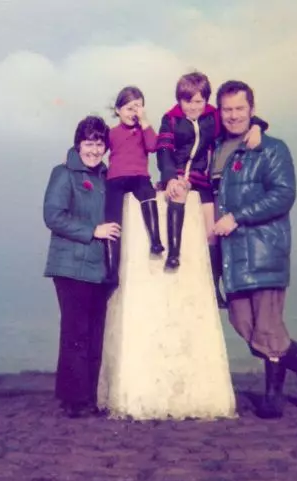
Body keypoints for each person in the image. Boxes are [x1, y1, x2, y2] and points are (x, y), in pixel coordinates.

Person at [211, 80, 297, 420]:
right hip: (231, 255)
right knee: (243, 323)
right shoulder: (217, 149)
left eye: (239, 109)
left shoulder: (271, 149)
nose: (233, 115)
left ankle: (273, 398)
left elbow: (283, 194)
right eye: (227, 109)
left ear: (251, 109)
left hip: (262, 250)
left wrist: (238, 217)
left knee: (268, 328)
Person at [155, 71, 269, 308]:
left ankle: (214, 287)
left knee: (211, 231)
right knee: (178, 196)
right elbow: (164, 150)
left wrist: (257, 128)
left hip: (201, 177)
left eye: (199, 101)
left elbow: (243, 122)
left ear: (206, 100)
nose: (193, 107)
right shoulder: (171, 119)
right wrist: (169, 179)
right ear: (179, 100)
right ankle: (173, 255)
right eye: (187, 101)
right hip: (178, 175)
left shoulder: (212, 117)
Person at [42, 115, 120, 418]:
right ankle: (74, 400)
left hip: (99, 269)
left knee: (95, 333)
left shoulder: (106, 176)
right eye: (89, 143)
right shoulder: (63, 173)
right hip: (70, 267)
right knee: (76, 333)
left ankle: (88, 396)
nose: (94, 150)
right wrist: (93, 231)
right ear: (78, 143)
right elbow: (53, 215)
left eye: (99, 144)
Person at [103, 86, 164, 283]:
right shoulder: (111, 133)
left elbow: (153, 146)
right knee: (112, 218)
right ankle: (112, 270)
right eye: (129, 108)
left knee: (148, 194)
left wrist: (145, 122)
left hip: (139, 176)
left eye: (138, 108)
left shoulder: (143, 131)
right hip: (116, 178)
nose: (133, 113)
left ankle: (156, 241)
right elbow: (93, 145)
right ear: (118, 110)